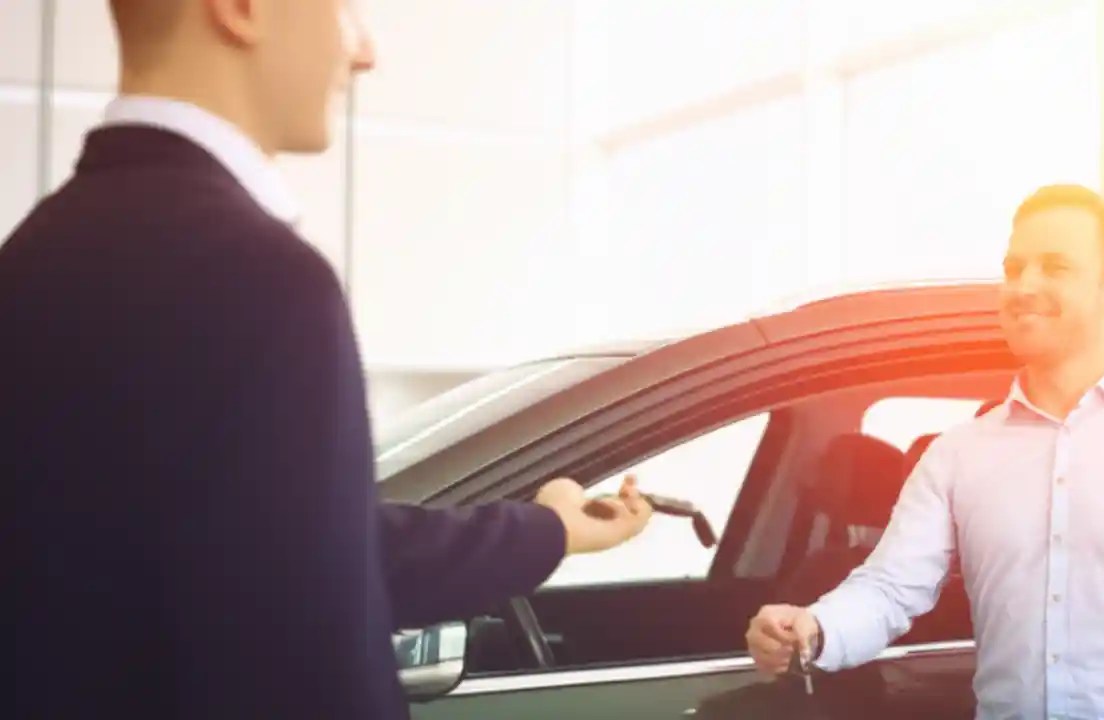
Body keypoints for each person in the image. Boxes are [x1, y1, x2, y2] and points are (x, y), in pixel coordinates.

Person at [4, 1, 651, 718]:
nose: (365, 52)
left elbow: (288, 549)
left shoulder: (33, 261)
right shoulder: (260, 276)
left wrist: (546, 530)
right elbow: (310, 655)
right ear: (241, 9)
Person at [745, 184, 1104, 718]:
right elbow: (888, 589)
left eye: (1054, 267)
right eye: (1013, 267)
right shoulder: (958, 457)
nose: (1024, 285)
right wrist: (812, 630)